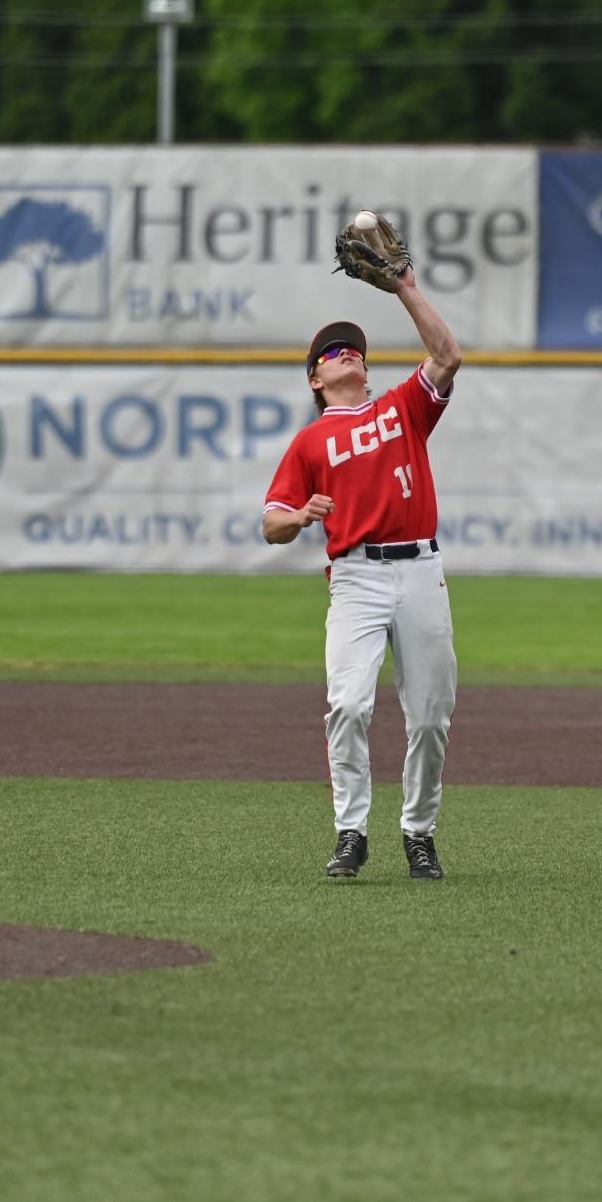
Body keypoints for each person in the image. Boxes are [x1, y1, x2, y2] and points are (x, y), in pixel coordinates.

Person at [261, 266, 462, 880]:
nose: (345, 352)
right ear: (315, 378)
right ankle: (352, 831)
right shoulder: (309, 444)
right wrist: (298, 515)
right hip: (355, 578)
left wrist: (403, 285)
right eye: (329, 351)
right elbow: (270, 524)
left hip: (421, 570)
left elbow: (448, 356)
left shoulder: (402, 409)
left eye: (354, 349)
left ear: (366, 371)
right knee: (347, 706)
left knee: (429, 715)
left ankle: (418, 832)